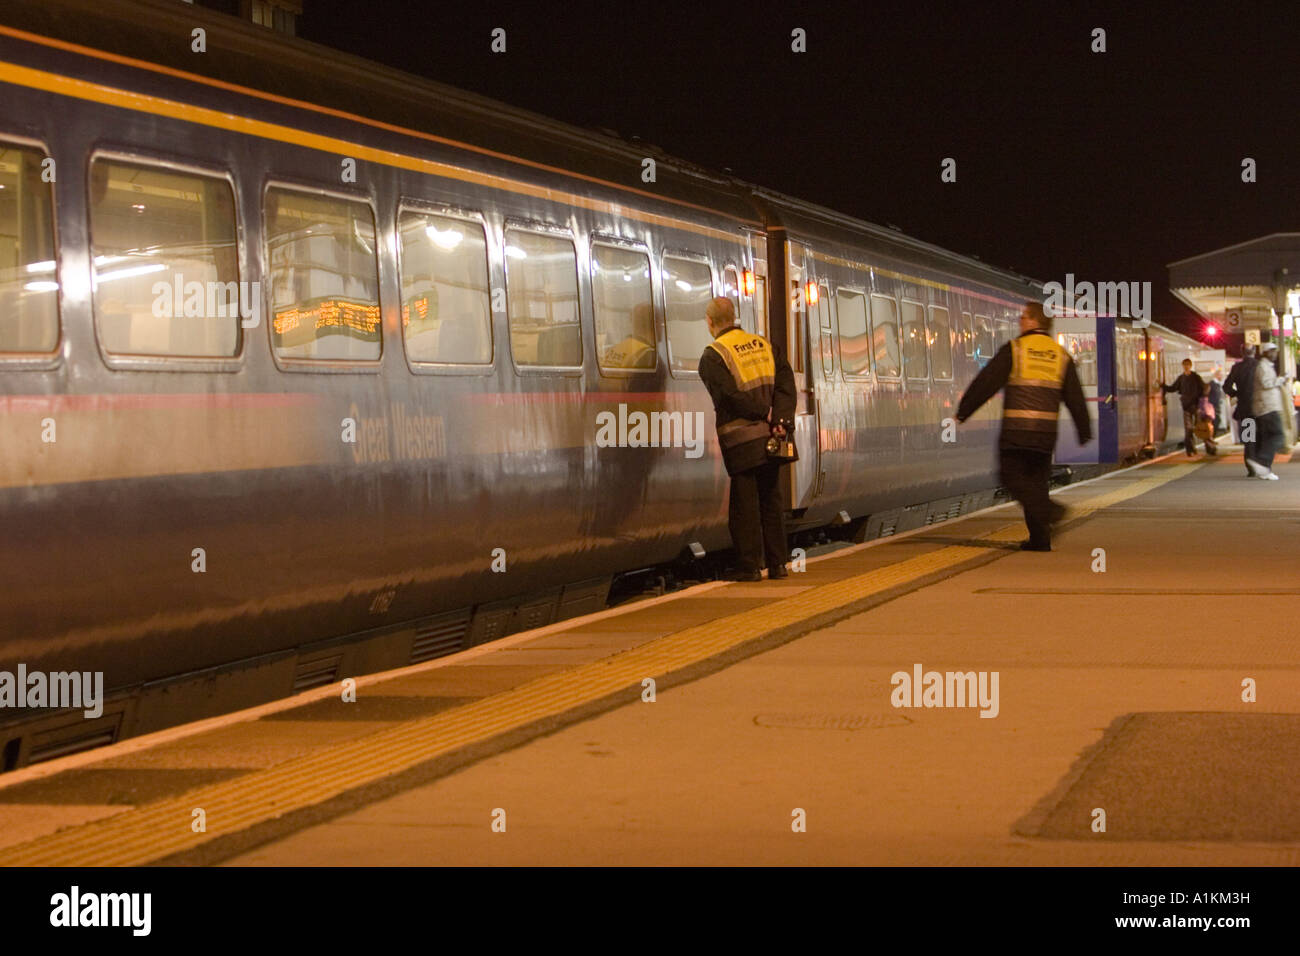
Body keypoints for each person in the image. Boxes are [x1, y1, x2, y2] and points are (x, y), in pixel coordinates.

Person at [956, 301, 1091, 551]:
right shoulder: (1060, 355)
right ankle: (1041, 541)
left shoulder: (1016, 349)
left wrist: (963, 411)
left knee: (1010, 476)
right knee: (1037, 484)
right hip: (1046, 433)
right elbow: (1075, 396)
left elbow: (987, 382)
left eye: (1023, 317)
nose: (1020, 321)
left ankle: (1051, 511)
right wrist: (1084, 430)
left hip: (1017, 430)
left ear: (1033, 321)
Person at [698, 297, 796, 580]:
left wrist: (760, 412)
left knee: (745, 505)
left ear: (710, 322)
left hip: (740, 439)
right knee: (771, 499)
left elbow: (727, 395)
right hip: (770, 437)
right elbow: (786, 384)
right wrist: (778, 418)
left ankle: (750, 566)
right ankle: (778, 564)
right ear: (735, 317)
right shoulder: (764, 345)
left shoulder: (713, 354)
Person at [1246, 341, 1289, 480]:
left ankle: (1264, 469)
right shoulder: (1263, 367)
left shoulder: (1264, 366)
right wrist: (1281, 380)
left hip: (1260, 408)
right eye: (1272, 351)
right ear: (1266, 353)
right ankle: (1261, 462)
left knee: (1266, 437)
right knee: (1278, 435)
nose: (1275, 354)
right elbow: (1266, 383)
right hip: (1267, 407)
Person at [1162, 358, 1210, 456]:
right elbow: (1173, 388)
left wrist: (1203, 399)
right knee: (1188, 429)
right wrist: (1162, 386)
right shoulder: (1181, 378)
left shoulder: (1196, 377)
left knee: (1201, 428)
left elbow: (1204, 387)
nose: (1186, 367)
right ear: (1183, 366)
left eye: (1187, 365)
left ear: (1190, 366)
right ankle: (1190, 450)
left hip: (1196, 406)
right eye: (1185, 365)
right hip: (1186, 407)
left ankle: (1209, 447)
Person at [1223, 346, 1258, 474]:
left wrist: (1237, 394)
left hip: (1245, 407)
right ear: (1254, 352)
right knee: (1260, 436)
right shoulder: (1259, 366)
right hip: (1260, 407)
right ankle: (1261, 463)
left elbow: (1226, 386)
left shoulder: (1236, 368)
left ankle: (1251, 467)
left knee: (1249, 438)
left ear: (1242, 353)